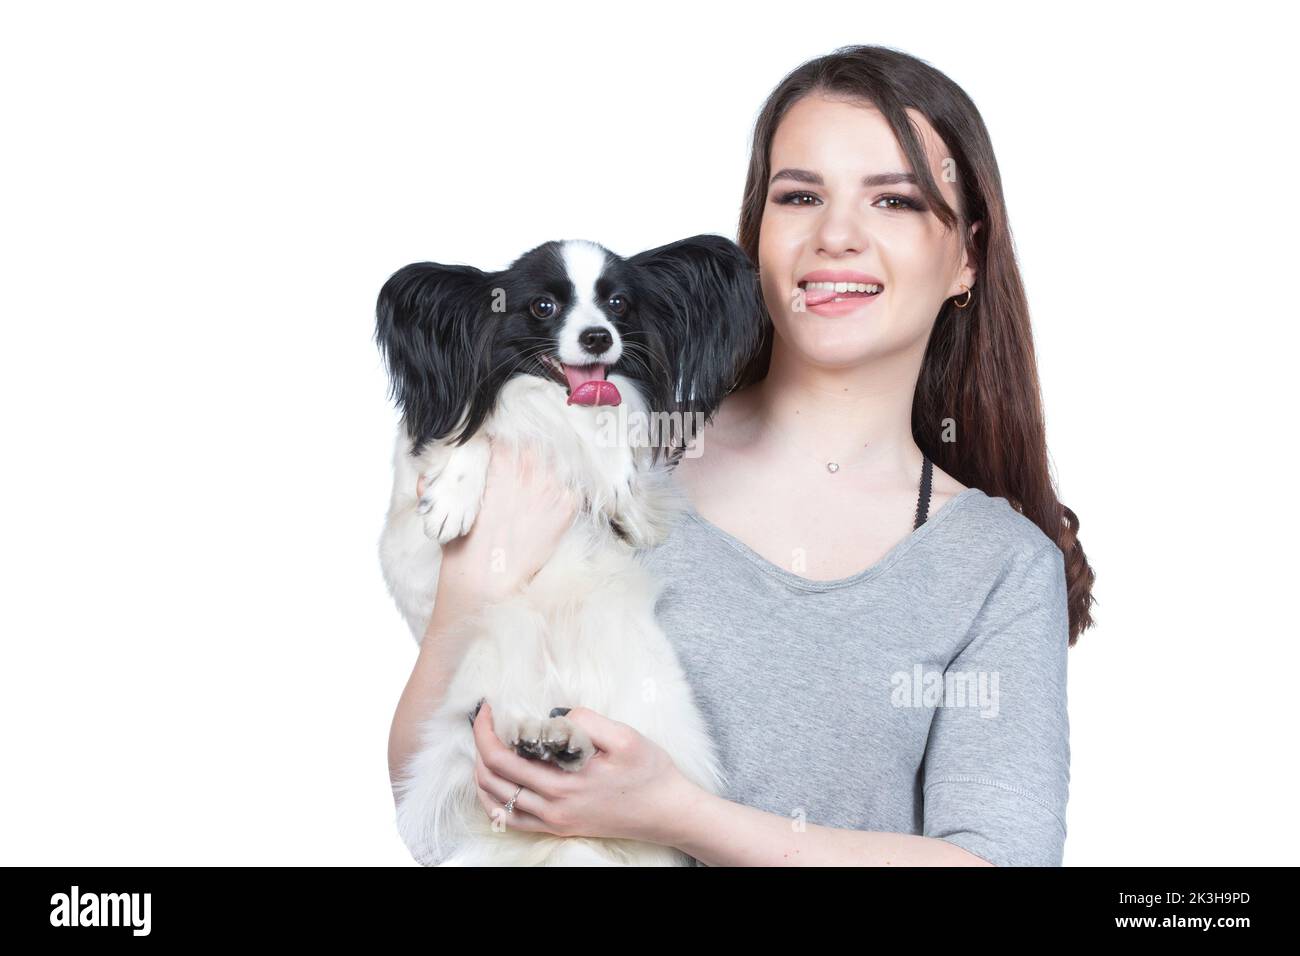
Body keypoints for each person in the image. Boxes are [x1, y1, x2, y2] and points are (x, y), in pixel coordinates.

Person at [388, 44, 1097, 866]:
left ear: (967, 257)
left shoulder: (997, 568)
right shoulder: (613, 456)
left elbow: (1002, 862)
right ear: (757, 234)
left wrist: (677, 814)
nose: (837, 235)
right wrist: (469, 587)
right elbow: (429, 809)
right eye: (799, 195)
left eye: (894, 201)